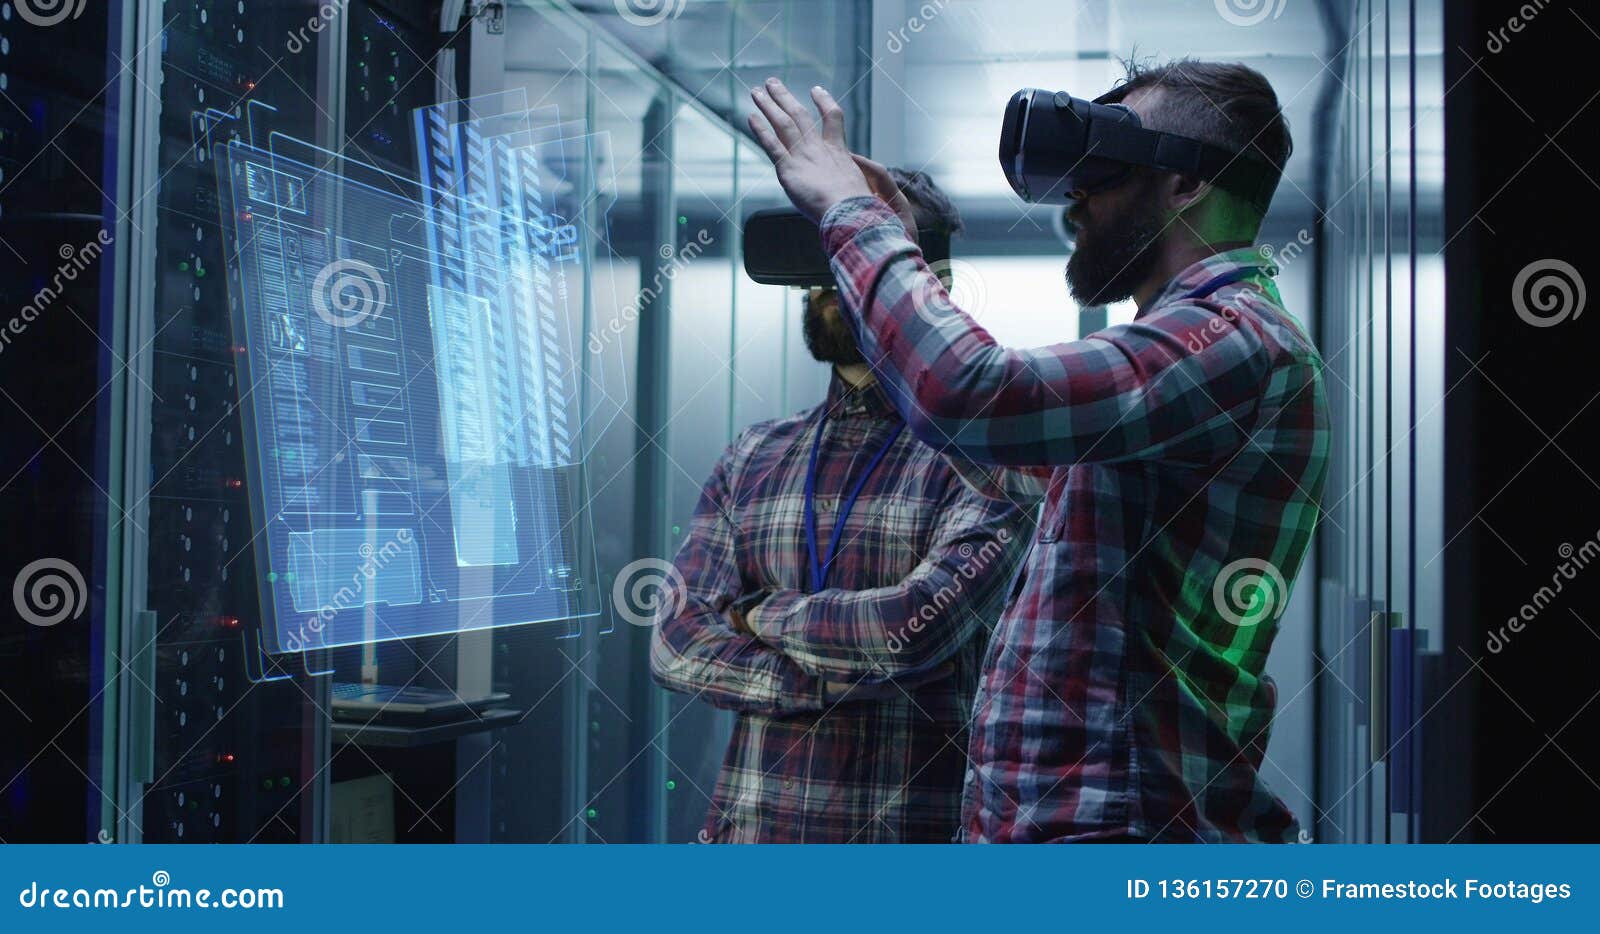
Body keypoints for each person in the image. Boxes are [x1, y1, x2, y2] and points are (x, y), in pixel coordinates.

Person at [746, 60, 1330, 842]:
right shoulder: (1189, 346)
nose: (1076, 199)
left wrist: (855, 215)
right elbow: (986, 434)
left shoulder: (1229, 339)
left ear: (1186, 182)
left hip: (1114, 829)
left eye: (1105, 169)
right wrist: (895, 250)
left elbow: (968, 392)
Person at [649, 168, 1028, 843]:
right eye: (824, 252)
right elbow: (676, 643)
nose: (829, 279)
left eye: (856, 250)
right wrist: (825, 682)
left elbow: (910, 631)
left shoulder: (987, 460)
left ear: (918, 280)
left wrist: (756, 613)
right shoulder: (753, 456)